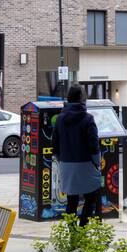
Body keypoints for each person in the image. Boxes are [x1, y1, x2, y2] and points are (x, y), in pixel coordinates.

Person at [54, 84, 103, 226]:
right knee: (91, 198)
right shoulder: (88, 119)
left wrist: (62, 160)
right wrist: (96, 163)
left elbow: (55, 144)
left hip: (66, 165)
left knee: (72, 201)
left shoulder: (60, 119)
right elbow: (94, 145)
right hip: (86, 165)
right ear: (82, 98)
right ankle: (82, 229)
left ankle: (73, 236)